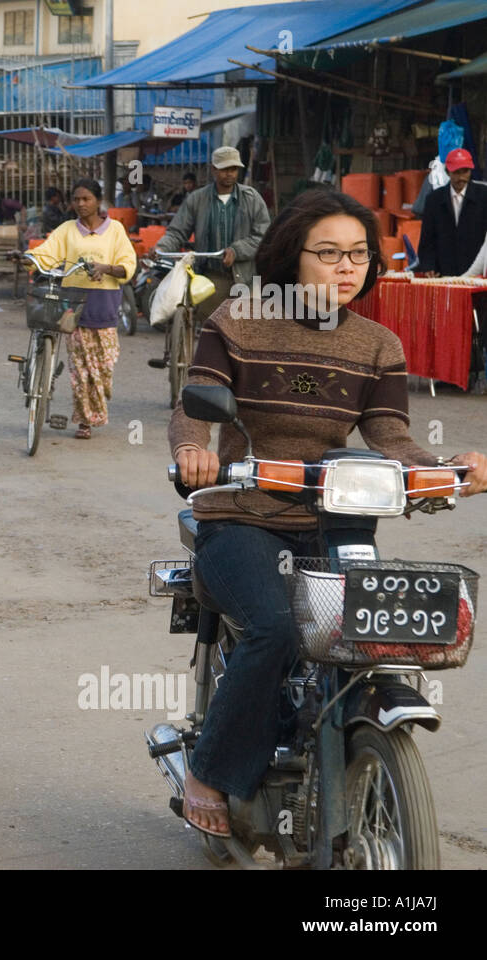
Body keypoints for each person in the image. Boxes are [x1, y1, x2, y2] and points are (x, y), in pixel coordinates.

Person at [169, 188, 487, 839]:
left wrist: (446, 470)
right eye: (330, 254)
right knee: (278, 629)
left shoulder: (377, 344)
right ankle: (211, 769)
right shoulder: (239, 318)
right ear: (292, 257)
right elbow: (194, 402)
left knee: (371, 637)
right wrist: (192, 450)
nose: (348, 267)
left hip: (339, 526)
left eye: (360, 255)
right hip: (243, 518)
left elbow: (391, 437)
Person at [27, 178, 136, 439]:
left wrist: (106, 267)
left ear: (98, 201)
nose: (80, 204)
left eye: (86, 199)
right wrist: (27, 258)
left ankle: (96, 407)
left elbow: (128, 264)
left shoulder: (116, 230)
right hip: (73, 306)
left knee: (105, 367)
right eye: (76, 199)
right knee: (80, 369)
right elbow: (46, 254)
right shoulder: (66, 230)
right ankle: (84, 421)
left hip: (105, 305)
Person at [150, 146, 271, 368]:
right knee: (212, 331)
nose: (230, 174)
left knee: (248, 333)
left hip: (244, 277)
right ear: (213, 169)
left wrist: (236, 250)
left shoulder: (252, 198)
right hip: (210, 277)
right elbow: (177, 231)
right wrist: (160, 247)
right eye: (224, 169)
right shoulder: (197, 199)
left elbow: (263, 236)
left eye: (234, 169)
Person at [416, 148, 487, 277]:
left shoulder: (483, 196)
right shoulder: (434, 201)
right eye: (456, 172)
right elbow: (427, 241)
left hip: (477, 275)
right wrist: (429, 266)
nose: (461, 177)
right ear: (447, 172)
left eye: (465, 171)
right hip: (443, 273)